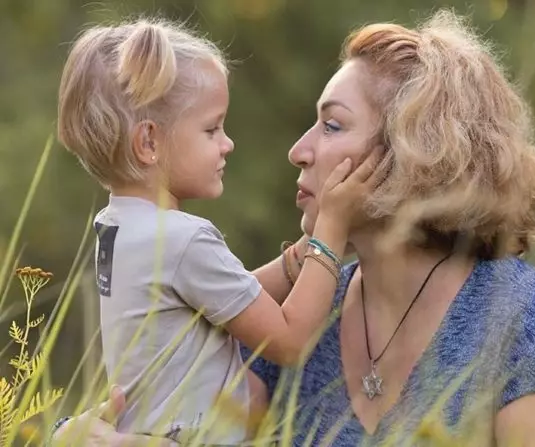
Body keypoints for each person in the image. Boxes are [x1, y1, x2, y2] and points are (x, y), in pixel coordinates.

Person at [52, 9, 535, 446]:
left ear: (413, 154)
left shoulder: (525, 322)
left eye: (332, 124)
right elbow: (153, 405)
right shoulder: (300, 316)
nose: (298, 151)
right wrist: (67, 437)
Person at [55, 18, 381, 445]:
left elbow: (225, 302)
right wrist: (331, 232)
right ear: (149, 142)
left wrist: (301, 254)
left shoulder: (116, 228)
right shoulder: (183, 239)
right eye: (211, 129)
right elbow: (289, 341)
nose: (226, 143)